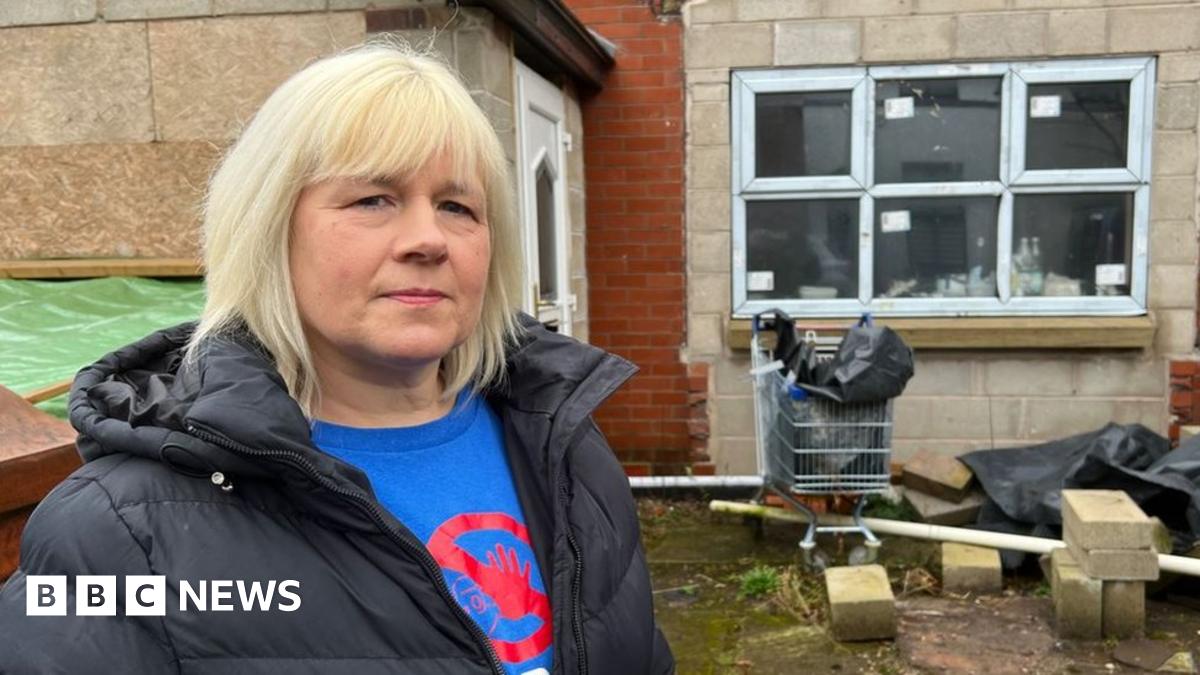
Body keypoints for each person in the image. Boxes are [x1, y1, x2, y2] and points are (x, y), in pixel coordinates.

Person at [0, 43, 674, 675]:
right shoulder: (116, 535)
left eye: (457, 206)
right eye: (373, 199)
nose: (428, 238)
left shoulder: (564, 444)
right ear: (268, 229)